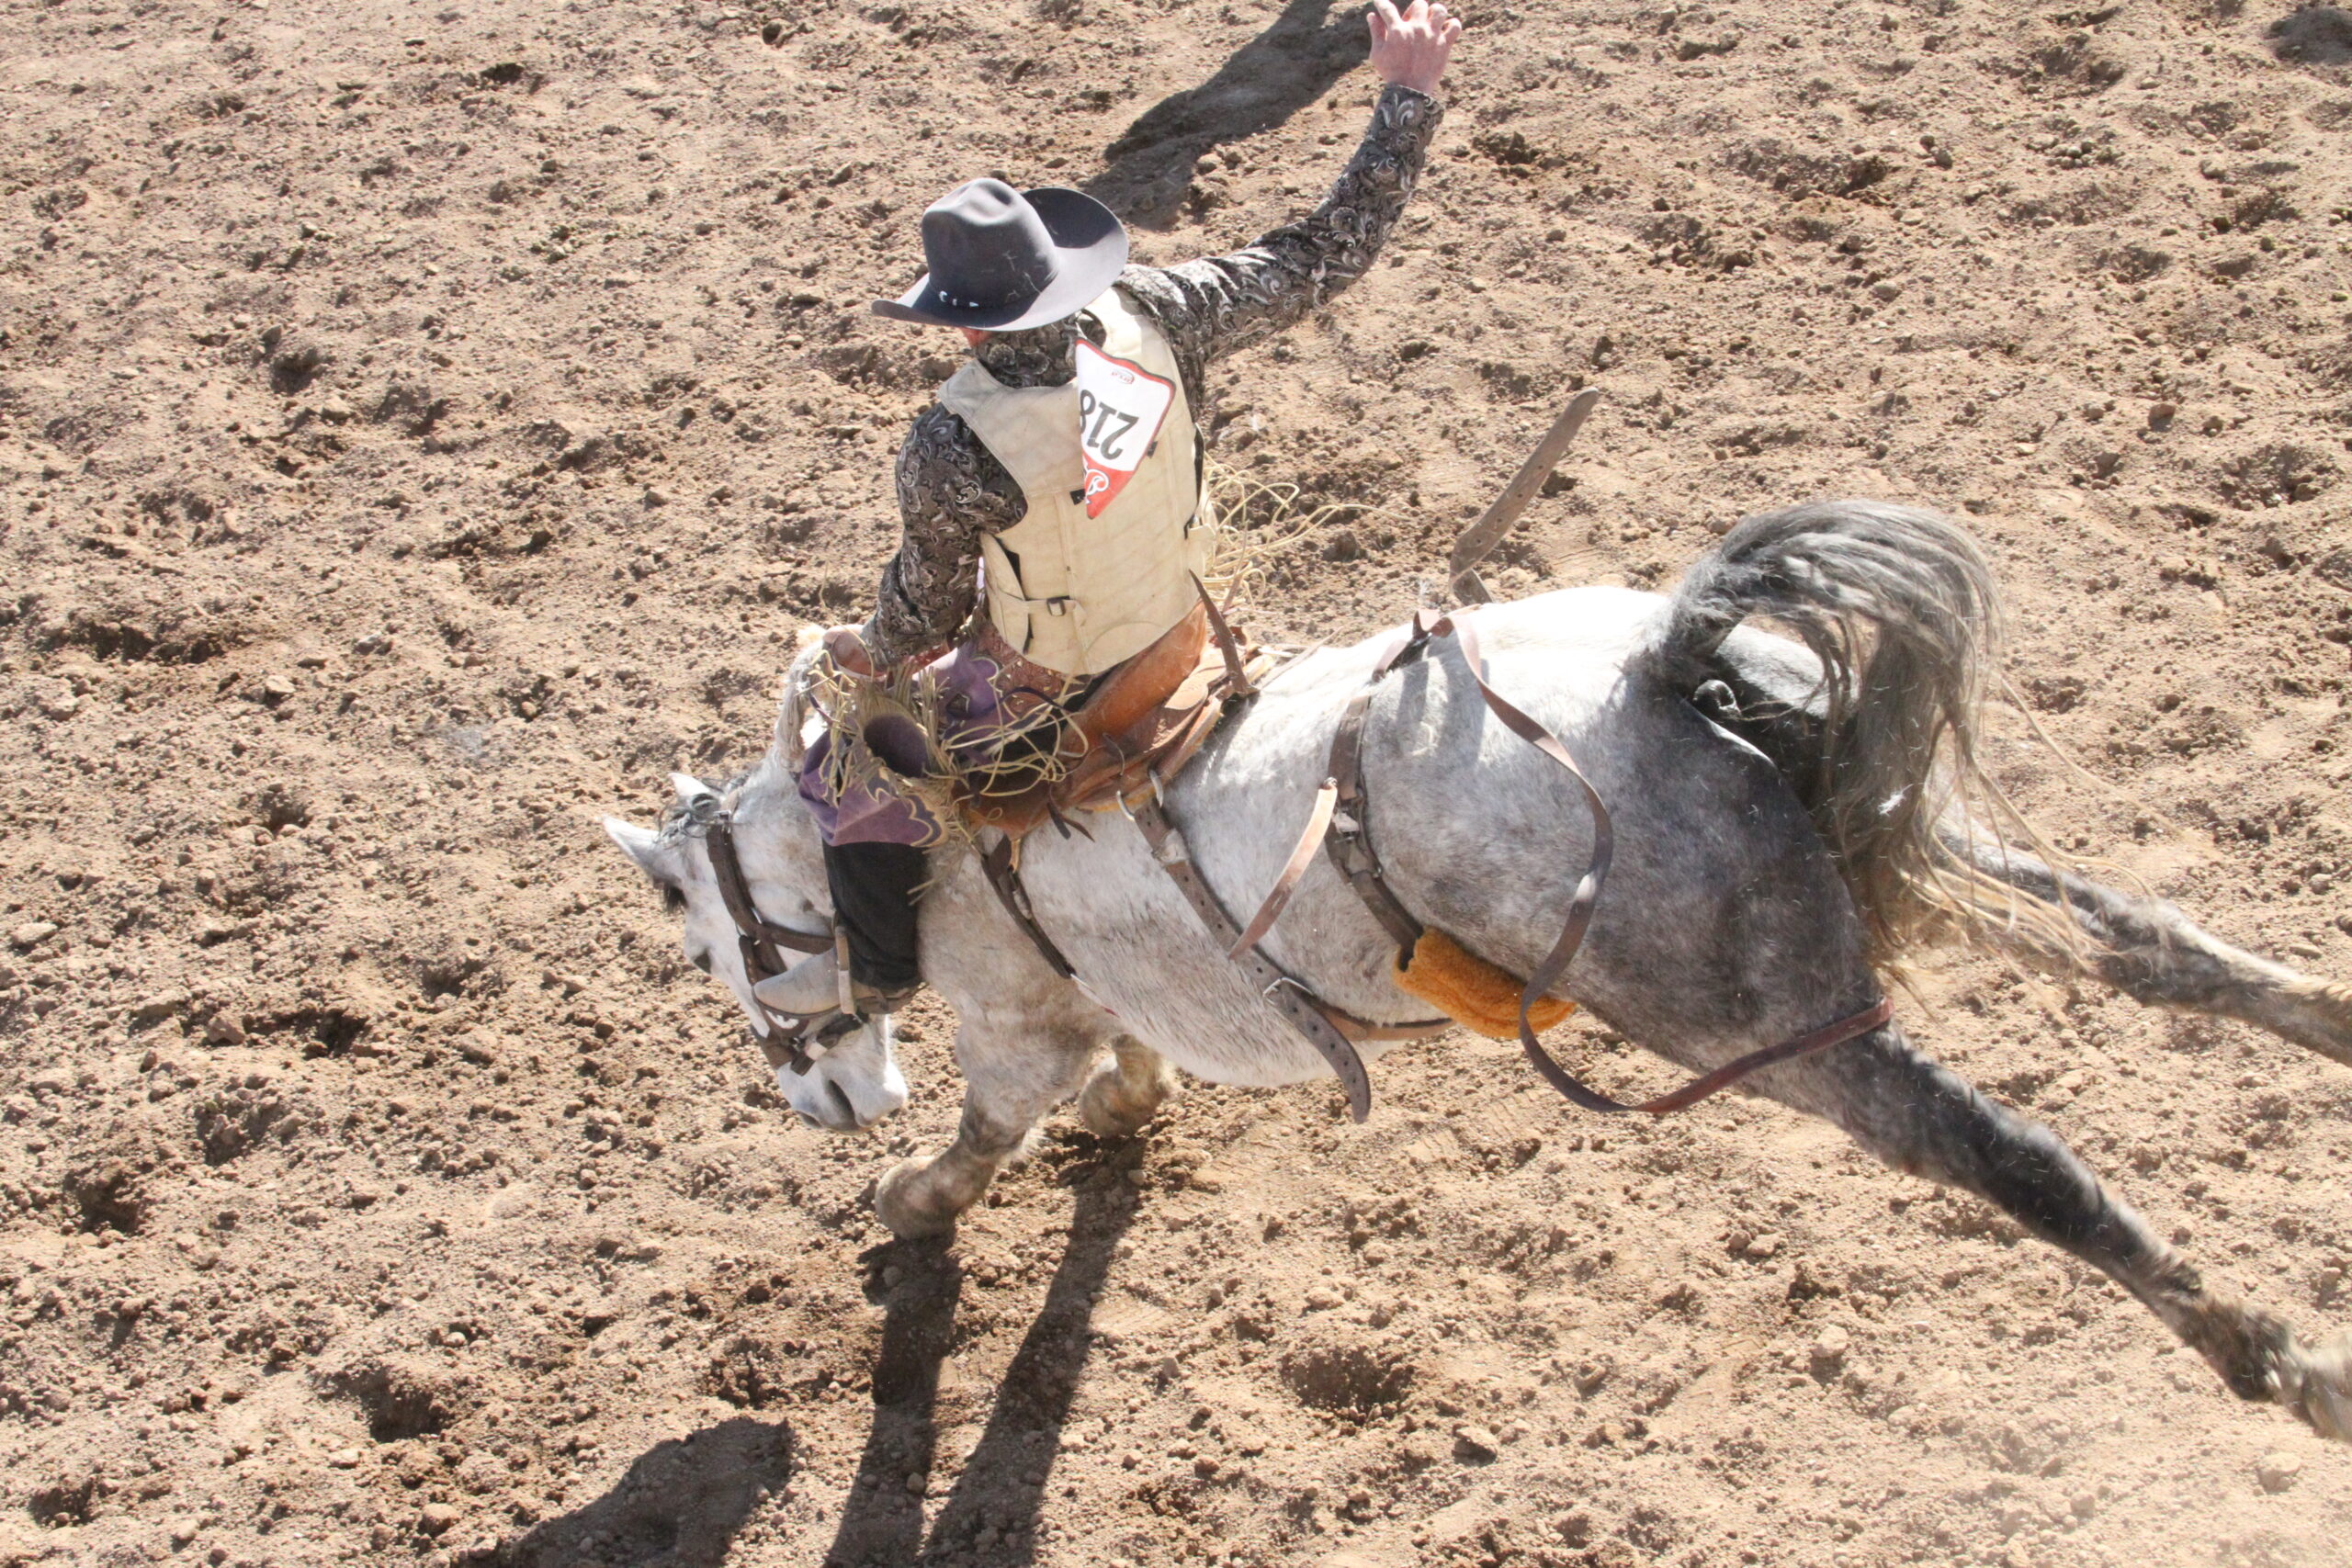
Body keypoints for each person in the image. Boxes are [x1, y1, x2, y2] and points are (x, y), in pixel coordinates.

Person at [764, 0, 1465, 1018]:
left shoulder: (950, 445)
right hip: (1183, 623)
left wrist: (862, 653)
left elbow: (924, 618)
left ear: (964, 328)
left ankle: (880, 971)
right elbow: (1326, 254)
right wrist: (1406, 96)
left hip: (1057, 690)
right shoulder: (1164, 309)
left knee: (845, 760)